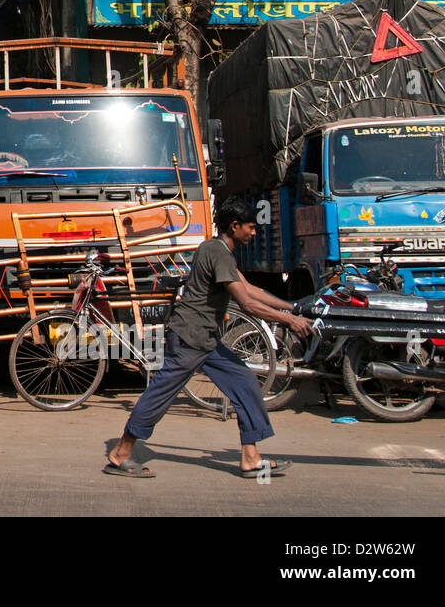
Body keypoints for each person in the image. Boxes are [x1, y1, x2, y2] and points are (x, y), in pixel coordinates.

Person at [104, 196, 316, 479]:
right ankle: (120, 453)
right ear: (235, 225)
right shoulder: (216, 252)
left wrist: (294, 307)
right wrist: (290, 320)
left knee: (244, 383)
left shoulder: (218, 250)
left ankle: (251, 458)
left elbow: (249, 288)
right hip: (190, 338)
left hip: (206, 340)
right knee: (159, 395)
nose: (253, 233)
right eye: (250, 228)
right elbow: (247, 304)